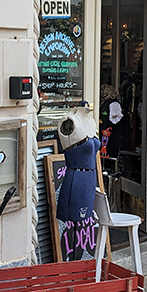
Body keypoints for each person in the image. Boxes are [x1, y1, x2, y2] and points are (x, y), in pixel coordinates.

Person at [56, 105, 101, 260]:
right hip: (75, 180)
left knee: (84, 222)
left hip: (89, 179)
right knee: (74, 226)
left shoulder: (90, 121)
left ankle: (78, 267)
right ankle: (71, 266)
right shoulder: (69, 120)